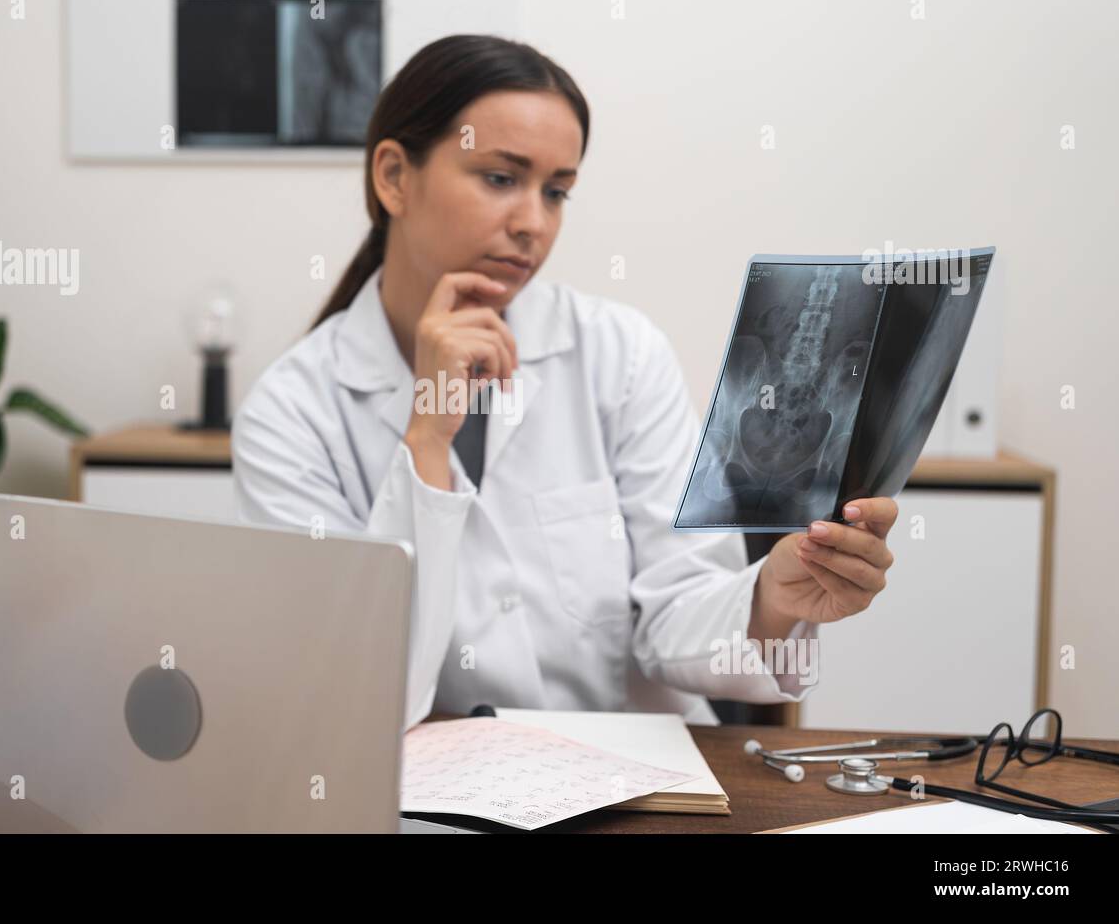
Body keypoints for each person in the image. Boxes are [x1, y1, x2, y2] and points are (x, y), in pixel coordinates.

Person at [232, 35, 897, 731]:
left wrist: (774, 602)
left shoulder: (621, 354)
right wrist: (427, 437)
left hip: (636, 786)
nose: (532, 224)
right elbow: (355, 693)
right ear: (395, 176)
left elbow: (677, 610)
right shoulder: (291, 413)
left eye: (556, 192)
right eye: (499, 178)